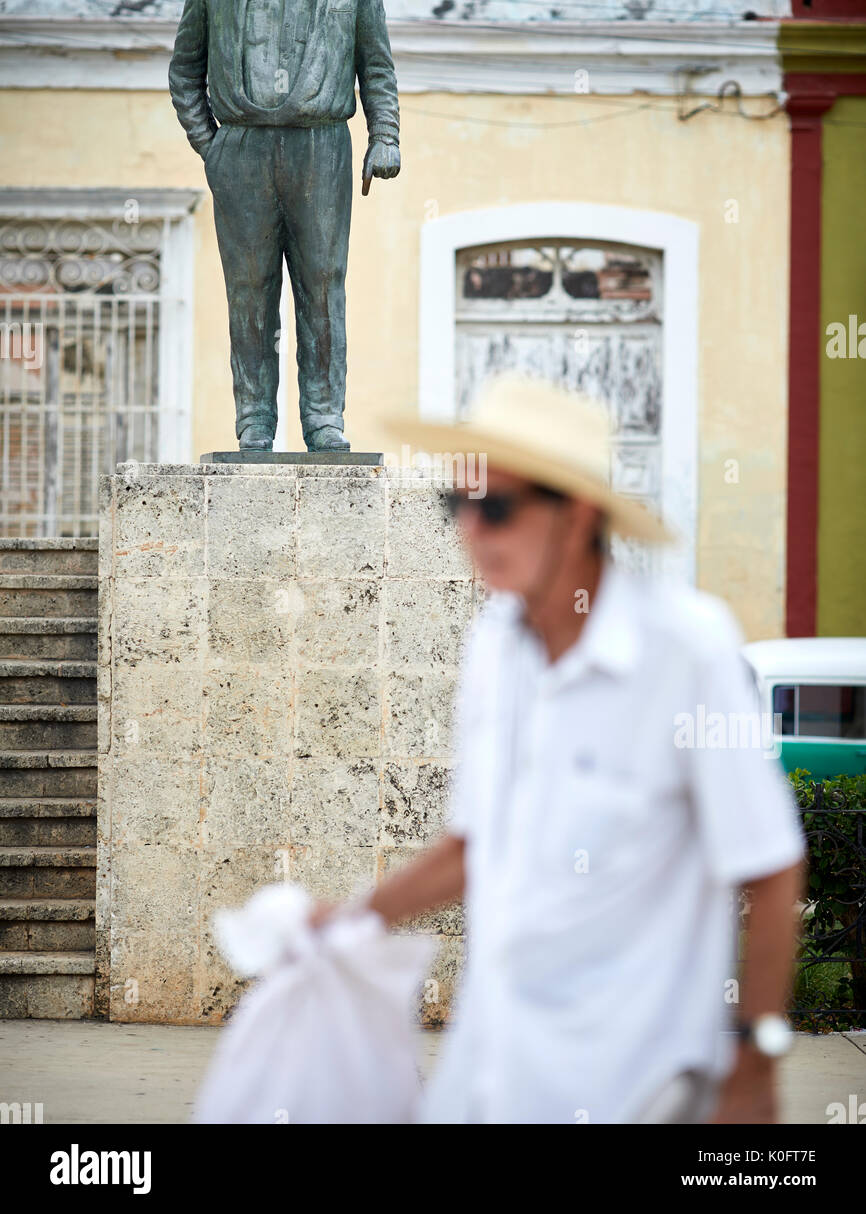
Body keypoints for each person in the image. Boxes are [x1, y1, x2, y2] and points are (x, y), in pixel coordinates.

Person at [311, 373, 806, 1124]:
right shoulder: (494, 646)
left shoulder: (686, 650)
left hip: (638, 1088)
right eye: (459, 504)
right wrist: (349, 921)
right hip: (493, 1072)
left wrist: (753, 1065)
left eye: (497, 508)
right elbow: (473, 846)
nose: (469, 530)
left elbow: (769, 866)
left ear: (576, 518)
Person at [168, 0, 400, 452]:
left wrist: (386, 136)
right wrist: (209, 146)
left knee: (323, 285)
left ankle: (324, 416)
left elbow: (376, 68)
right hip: (240, 150)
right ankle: (254, 420)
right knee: (248, 290)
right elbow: (183, 70)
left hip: (321, 147)